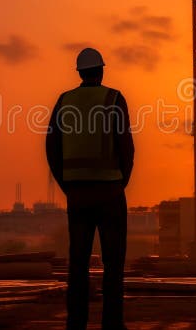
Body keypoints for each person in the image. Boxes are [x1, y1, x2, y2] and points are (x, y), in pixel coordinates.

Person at [46, 47, 134, 330]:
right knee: (113, 264)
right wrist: (122, 180)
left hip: (78, 194)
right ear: (102, 71)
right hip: (110, 192)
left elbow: (51, 148)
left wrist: (66, 183)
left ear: (80, 73)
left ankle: (76, 323)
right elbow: (125, 146)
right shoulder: (113, 99)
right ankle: (112, 324)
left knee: (78, 263)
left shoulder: (65, 101)